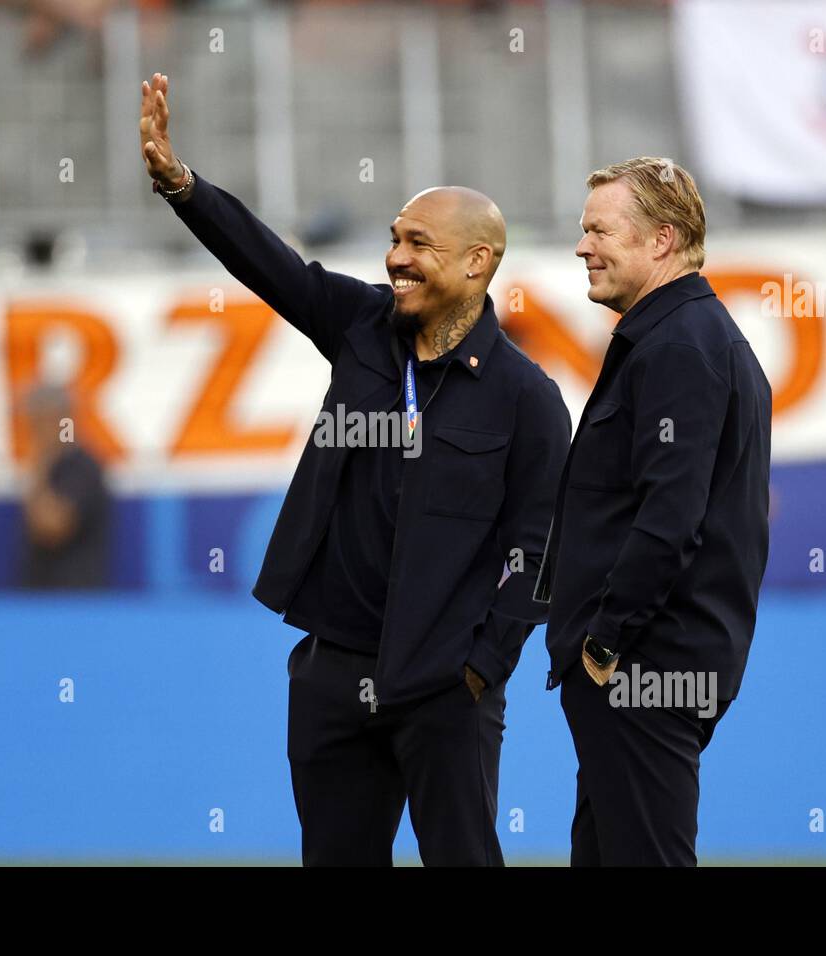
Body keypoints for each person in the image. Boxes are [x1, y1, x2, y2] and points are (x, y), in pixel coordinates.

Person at [141, 73, 570, 866]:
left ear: (478, 264)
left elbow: (538, 551)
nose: (395, 258)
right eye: (395, 238)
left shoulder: (528, 400)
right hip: (334, 673)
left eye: (418, 246)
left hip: (445, 686)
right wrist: (183, 186)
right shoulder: (364, 326)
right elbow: (274, 268)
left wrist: (484, 668)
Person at [534, 156, 772, 866]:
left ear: (662, 240)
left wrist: (604, 644)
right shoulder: (682, 337)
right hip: (648, 667)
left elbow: (670, 517)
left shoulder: (678, 347)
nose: (583, 246)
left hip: (642, 668)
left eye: (600, 230)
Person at [20, 384, 113, 591]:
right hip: (43, 600)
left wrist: (41, 462)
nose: (33, 431)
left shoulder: (81, 467)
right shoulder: (56, 466)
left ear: (60, 420)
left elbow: (51, 527)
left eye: (38, 422)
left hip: (73, 602)